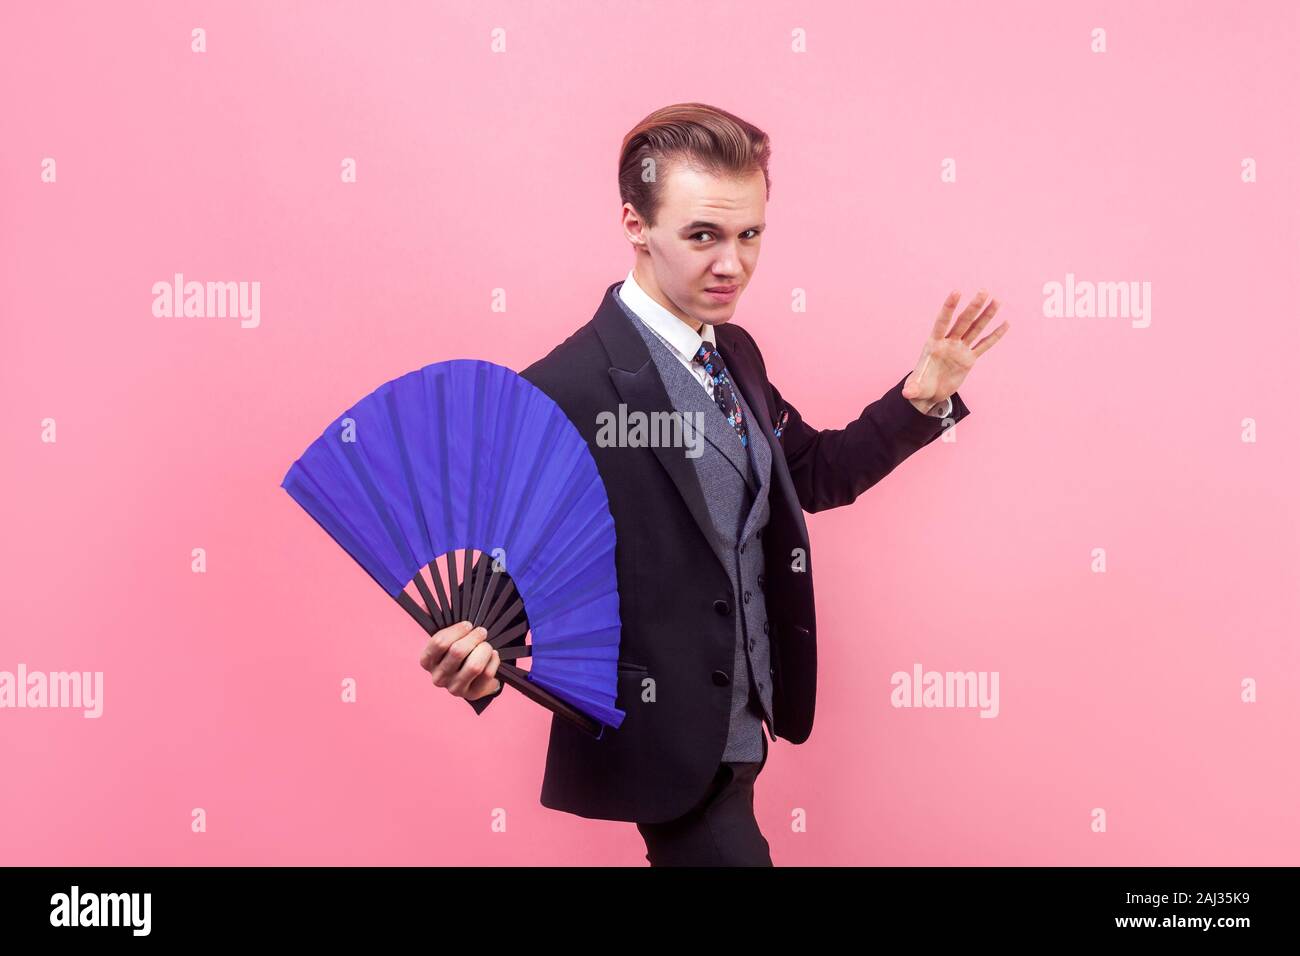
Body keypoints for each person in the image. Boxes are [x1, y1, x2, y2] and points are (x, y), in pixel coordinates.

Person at [418, 102, 1009, 865]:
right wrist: (474, 668)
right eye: (703, 235)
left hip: (742, 738)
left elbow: (808, 475)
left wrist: (921, 398)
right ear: (635, 223)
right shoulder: (565, 391)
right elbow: (512, 594)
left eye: (750, 234)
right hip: (665, 750)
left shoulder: (734, 354)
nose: (731, 264)